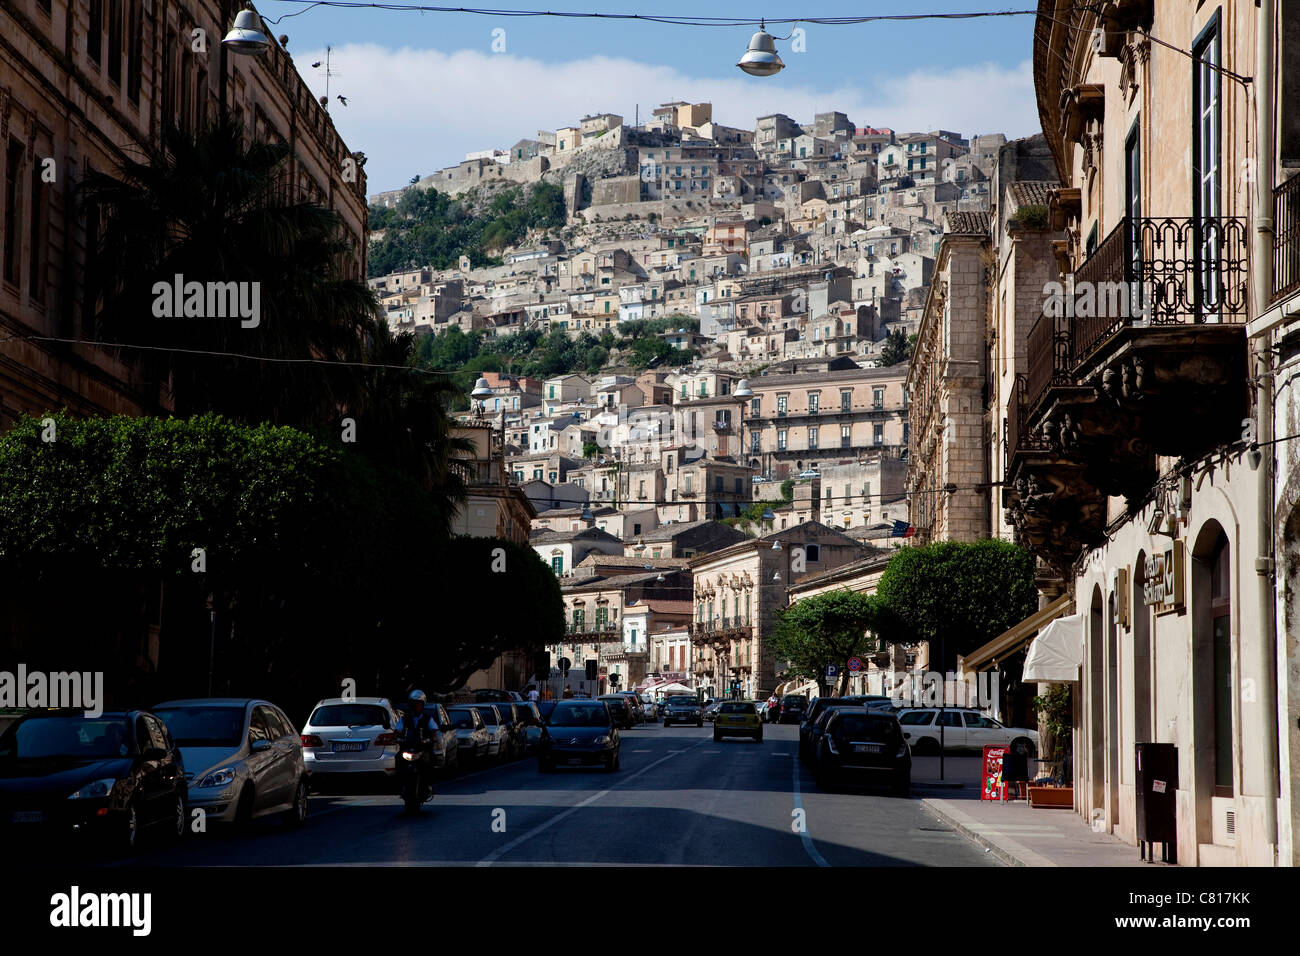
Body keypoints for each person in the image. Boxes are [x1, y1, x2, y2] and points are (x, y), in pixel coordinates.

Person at [394, 689, 436, 799]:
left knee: (430, 759)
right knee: (398, 758)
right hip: (408, 748)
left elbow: (434, 732)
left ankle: (427, 785)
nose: (416, 706)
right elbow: (397, 731)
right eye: (414, 704)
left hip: (422, 749)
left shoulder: (428, 719)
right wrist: (397, 738)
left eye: (418, 704)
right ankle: (400, 785)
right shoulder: (405, 719)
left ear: (423, 705)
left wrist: (431, 739)